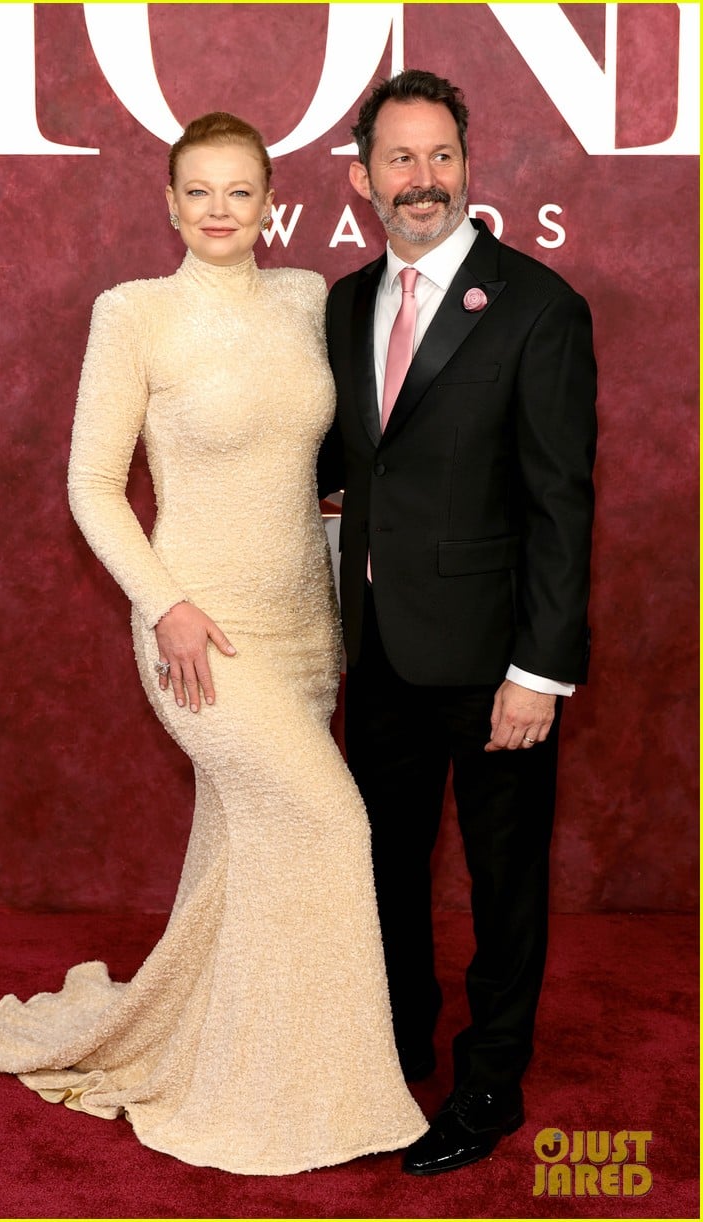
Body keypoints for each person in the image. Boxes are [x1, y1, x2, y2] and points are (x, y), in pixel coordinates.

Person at [0, 112, 427, 1175]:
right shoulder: (135, 314)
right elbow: (89, 485)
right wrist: (163, 602)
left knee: (248, 852)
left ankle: (232, 1047)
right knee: (327, 820)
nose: (219, 211)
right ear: (170, 204)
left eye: (239, 192)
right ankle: (307, 1090)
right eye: (197, 192)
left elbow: (332, 452)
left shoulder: (307, 300)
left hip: (307, 629)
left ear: (271, 202)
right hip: (197, 633)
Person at [318, 71, 597, 1175]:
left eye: (440, 157)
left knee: (502, 878)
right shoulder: (344, 304)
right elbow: (349, 464)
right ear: (361, 178)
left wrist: (541, 670)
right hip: (378, 649)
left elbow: (559, 505)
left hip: (496, 667)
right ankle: (397, 1044)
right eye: (399, 159)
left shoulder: (537, 307)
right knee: (382, 865)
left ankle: (489, 1080)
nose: (421, 180)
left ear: (468, 168)